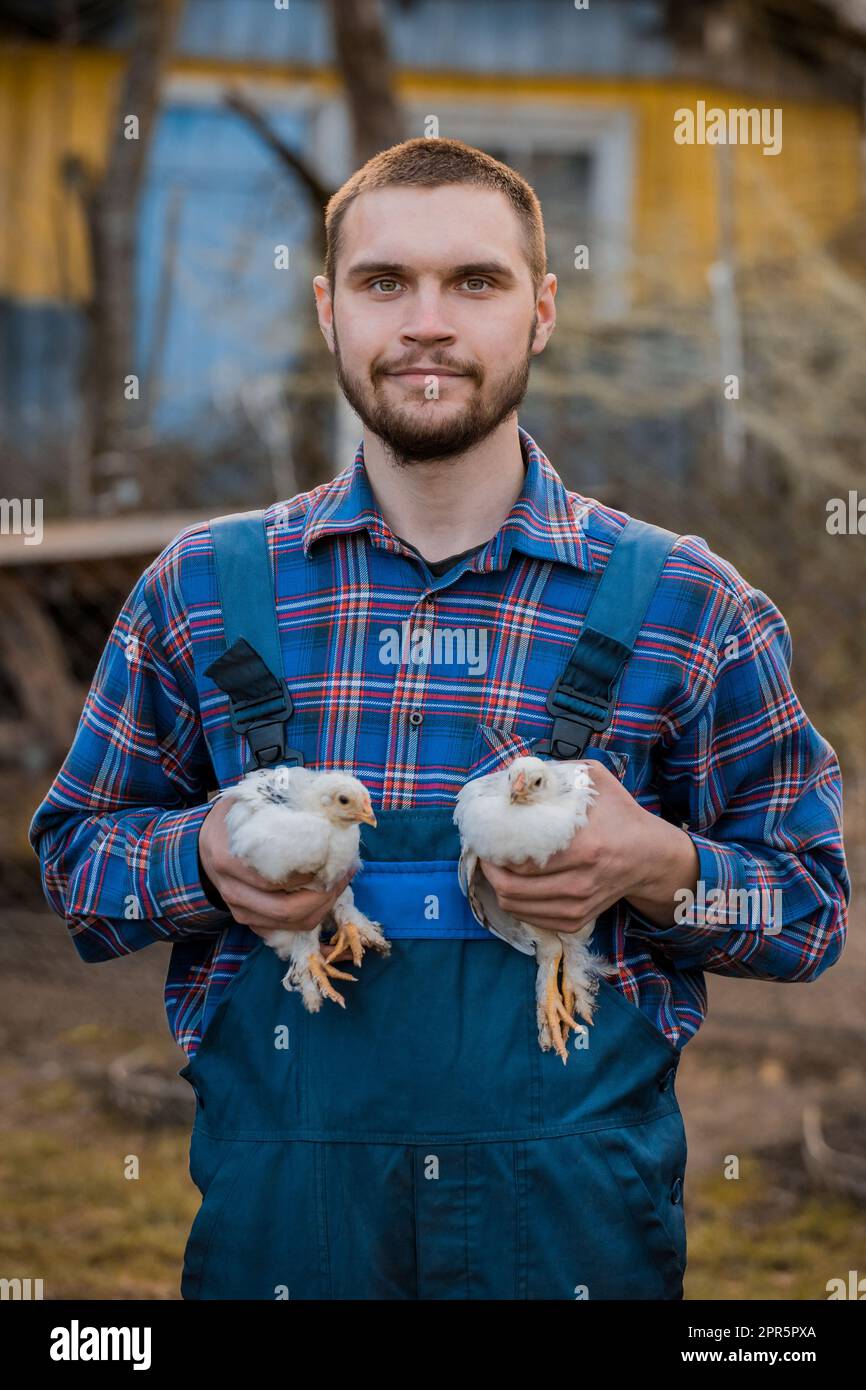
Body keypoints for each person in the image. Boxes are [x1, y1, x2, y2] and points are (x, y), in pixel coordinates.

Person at [30, 137, 849, 1301]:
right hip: (286, 1237)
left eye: (474, 281)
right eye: (382, 283)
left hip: (568, 1237)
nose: (425, 321)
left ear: (540, 310)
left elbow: (805, 910)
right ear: (327, 311)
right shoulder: (204, 588)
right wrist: (200, 857)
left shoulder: (684, 602)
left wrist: (662, 865)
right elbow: (73, 862)